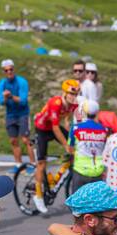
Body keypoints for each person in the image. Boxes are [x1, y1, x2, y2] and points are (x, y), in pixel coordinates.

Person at [31, 79, 78, 213]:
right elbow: (56, 128)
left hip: (52, 128)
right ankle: (38, 195)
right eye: (71, 94)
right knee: (41, 163)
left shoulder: (73, 104)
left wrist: (69, 124)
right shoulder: (55, 103)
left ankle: (55, 179)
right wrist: (65, 145)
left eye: (76, 94)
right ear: (64, 93)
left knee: (75, 149)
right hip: (42, 129)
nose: (74, 97)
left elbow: (72, 117)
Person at [0, 59, 33, 169]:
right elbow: (1, 102)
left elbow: (23, 100)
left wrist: (11, 96)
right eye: (6, 70)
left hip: (23, 113)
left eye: (11, 69)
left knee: (25, 139)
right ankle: (18, 164)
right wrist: (4, 97)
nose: (9, 72)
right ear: (3, 71)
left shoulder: (22, 82)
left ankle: (33, 163)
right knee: (13, 140)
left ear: (14, 69)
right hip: (11, 114)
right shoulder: (2, 83)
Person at [69, 98, 110, 191]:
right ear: (97, 113)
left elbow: (70, 147)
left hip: (80, 170)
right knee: (95, 203)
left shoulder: (76, 128)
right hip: (97, 171)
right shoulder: (104, 130)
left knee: (77, 202)